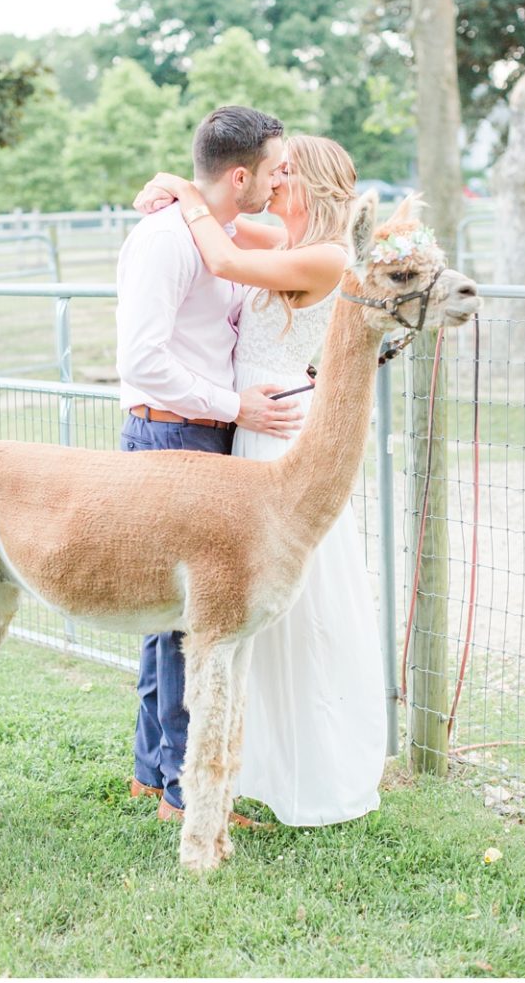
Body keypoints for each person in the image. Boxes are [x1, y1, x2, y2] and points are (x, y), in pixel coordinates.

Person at [134, 134, 386, 826]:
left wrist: (184, 191)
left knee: (296, 608)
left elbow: (222, 255)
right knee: (240, 609)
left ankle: (312, 768)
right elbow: (225, 220)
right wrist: (182, 184)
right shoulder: (284, 239)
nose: (273, 181)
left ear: (313, 184)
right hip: (251, 432)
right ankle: (243, 761)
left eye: (285, 173)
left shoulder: (329, 255)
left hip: (283, 439)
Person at [117, 105, 304, 823]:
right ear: (241, 176)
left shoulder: (220, 233)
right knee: (184, 618)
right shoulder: (167, 240)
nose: (282, 178)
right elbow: (142, 360)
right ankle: (180, 790)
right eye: (275, 168)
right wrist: (234, 407)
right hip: (171, 438)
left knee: (169, 612)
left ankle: (150, 770)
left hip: (208, 435)